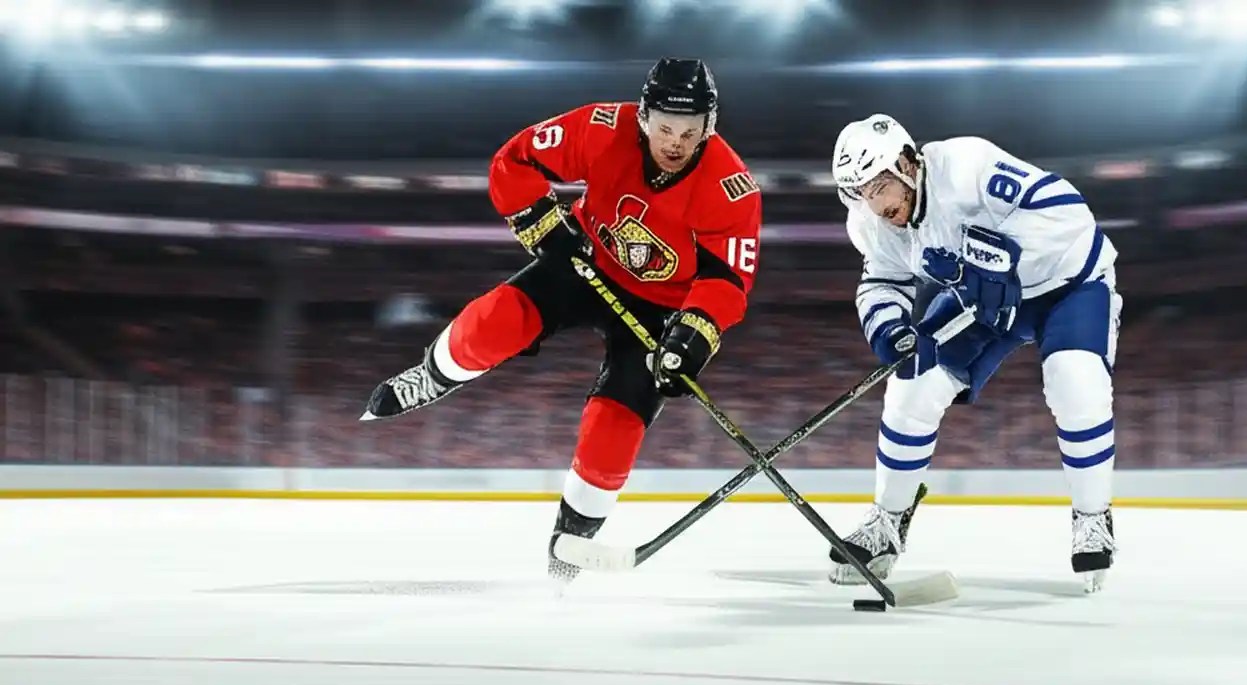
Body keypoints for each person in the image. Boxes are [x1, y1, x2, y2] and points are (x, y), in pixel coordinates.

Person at [361, 58, 763, 585]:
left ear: (709, 127)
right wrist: (542, 223)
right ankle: (432, 377)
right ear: (643, 117)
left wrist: (693, 336)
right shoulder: (601, 128)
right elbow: (515, 159)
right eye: (665, 127)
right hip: (585, 263)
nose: (675, 143)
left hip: (663, 308)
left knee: (614, 431)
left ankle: (568, 544)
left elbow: (728, 280)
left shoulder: (733, 187)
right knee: (493, 322)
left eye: (690, 132)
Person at [829, 114, 1121, 593]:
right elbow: (880, 282)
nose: (876, 204)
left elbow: (1071, 212)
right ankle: (886, 521)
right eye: (862, 192)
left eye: (880, 185)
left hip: (1069, 284)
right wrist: (890, 331)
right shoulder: (872, 222)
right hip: (980, 300)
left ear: (907, 162)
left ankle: (1093, 517)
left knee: (1075, 379)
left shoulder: (968, 166)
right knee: (913, 384)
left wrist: (993, 258)